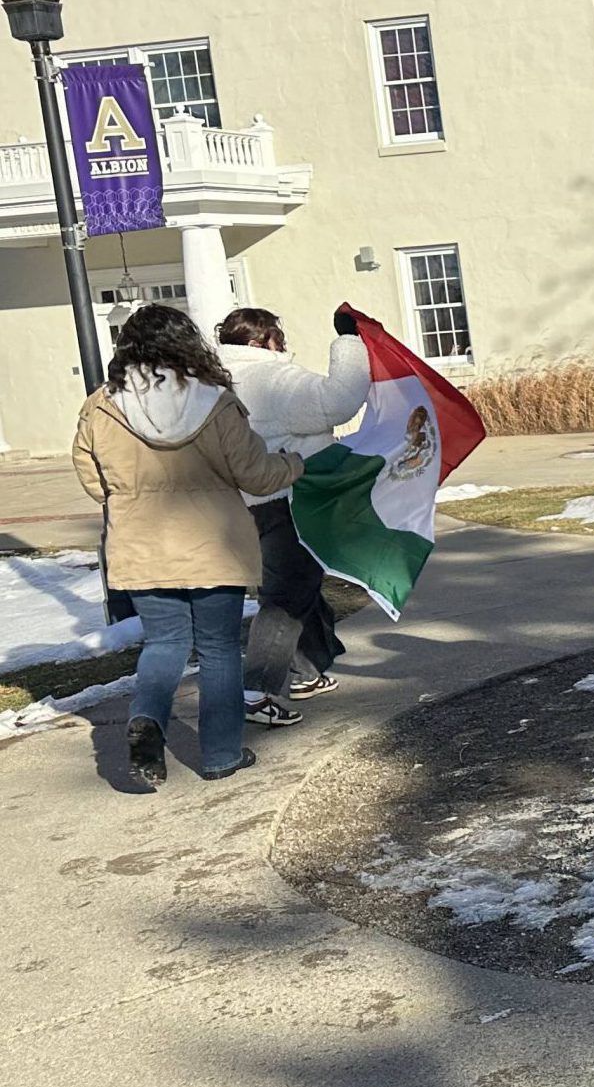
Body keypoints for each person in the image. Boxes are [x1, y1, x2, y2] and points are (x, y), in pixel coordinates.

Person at [72, 305, 307, 786]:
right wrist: (294, 464)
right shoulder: (215, 402)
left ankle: (147, 718)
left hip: (141, 543)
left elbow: (93, 479)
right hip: (213, 543)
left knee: (164, 642)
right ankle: (221, 754)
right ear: (188, 343)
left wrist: (128, 500)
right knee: (219, 648)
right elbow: (255, 475)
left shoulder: (101, 405)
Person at [216, 306, 370, 723]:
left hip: (243, 503)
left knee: (297, 584)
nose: (282, 344)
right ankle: (257, 690)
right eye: (278, 336)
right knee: (286, 598)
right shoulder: (270, 378)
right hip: (288, 496)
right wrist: (350, 341)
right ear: (262, 340)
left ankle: (305, 671)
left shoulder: (215, 380)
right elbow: (337, 400)